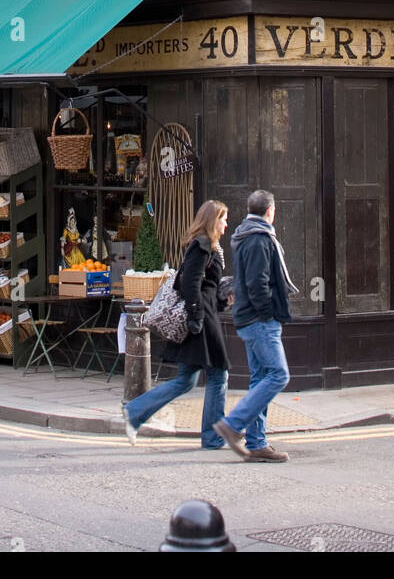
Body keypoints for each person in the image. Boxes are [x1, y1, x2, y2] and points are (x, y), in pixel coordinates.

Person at [122, 200, 231, 449]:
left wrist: (223, 298)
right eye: (223, 218)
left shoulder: (209, 246)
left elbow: (206, 285)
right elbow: (189, 284)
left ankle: (135, 412)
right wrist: (196, 317)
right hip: (202, 320)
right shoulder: (202, 245)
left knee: (187, 380)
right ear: (212, 221)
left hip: (204, 314)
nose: (226, 223)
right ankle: (212, 437)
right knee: (218, 374)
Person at [212, 189, 297, 463]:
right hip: (260, 320)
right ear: (270, 211)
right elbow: (258, 284)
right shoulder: (259, 238)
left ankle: (257, 443)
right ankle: (233, 424)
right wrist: (268, 313)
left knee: (261, 378)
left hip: (248, 317)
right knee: (278, 375)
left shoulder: (243, 234)